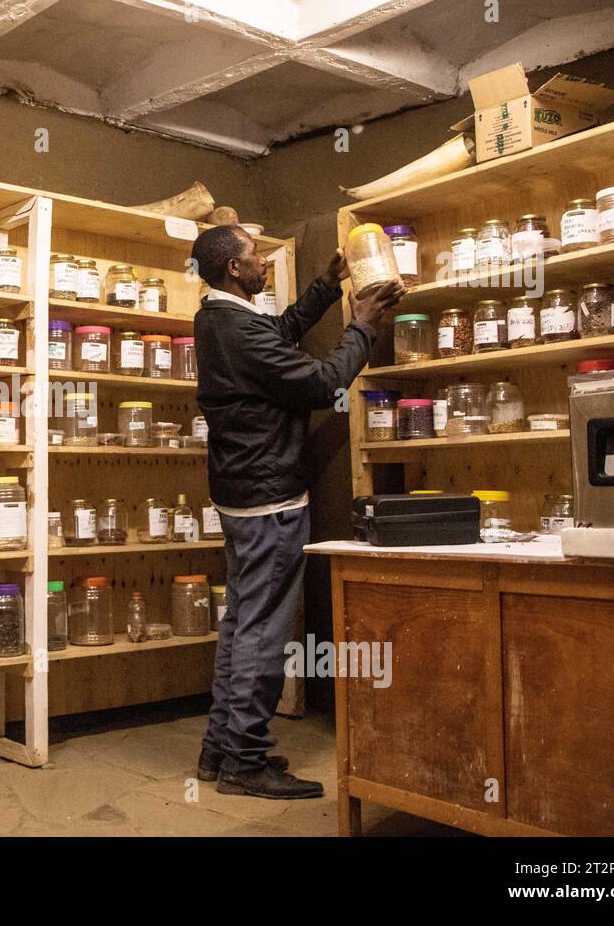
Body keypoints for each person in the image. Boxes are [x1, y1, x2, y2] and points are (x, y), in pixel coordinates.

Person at [191, 225, 403, 799]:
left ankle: (221, 751)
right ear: (235, 269)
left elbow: (278, 332)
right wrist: (363, 323)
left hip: (241, 496)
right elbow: (323, 381)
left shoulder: (218, 316)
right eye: (253, 255)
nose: (260, 261)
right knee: (262, 632)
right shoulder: (235, 327)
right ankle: (244, 762)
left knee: (241, 624)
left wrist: (326, 286)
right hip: (269, 502)